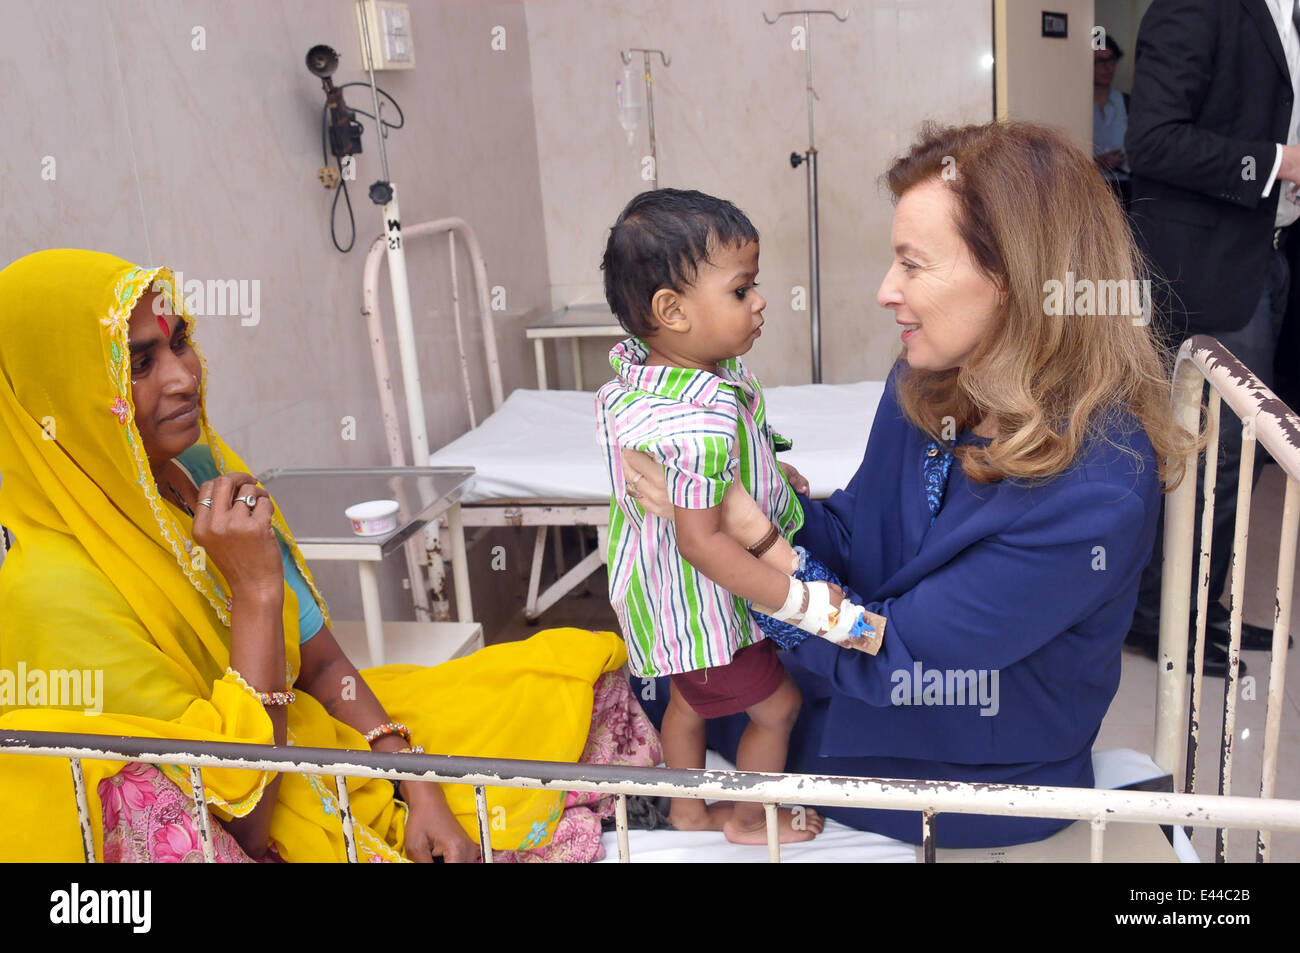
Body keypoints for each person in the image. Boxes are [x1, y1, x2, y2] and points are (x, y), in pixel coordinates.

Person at [622, 121, 1199, 847]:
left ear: (1015, 279)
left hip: (967, 763)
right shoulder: (929, 380)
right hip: (875, 677)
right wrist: (774, 498)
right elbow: (862, 539)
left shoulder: (1096, 488)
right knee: (666, 674)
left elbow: (892, 658)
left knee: (679, 694)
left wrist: (752, 541)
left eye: (913, 264)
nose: (885, 291)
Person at [0, 249, 648, 863]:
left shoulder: (195, 474)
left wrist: (415, 778)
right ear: (57, 399)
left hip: (324, 740)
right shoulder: (53, 594)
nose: (183, 376)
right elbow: (241, 824)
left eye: (179, 341)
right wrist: (255, 593)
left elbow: (324, 662)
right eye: (138, 365)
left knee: (570, 683)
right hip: (270, 815)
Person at [595, 190, 875, 844]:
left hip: (664, 599)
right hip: (702, 602)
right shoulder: (695, 424)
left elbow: (737, 457)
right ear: (672, 310)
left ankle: (687, 807)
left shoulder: (666, 373)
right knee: (778, 707)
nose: (761, 301)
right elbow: (705, 543)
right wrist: (804, 603)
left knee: (690, 698)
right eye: (742, 289)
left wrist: (773, 474)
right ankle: (751, 817)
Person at [1124, 0, 1300, 674]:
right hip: (1205, 269)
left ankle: (1202, 608)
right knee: (1212, 458)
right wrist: (1278, 162)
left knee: (1245, 456)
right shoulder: (1196, 4)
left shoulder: (1286, 17)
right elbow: (1155, 141)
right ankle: (1168, 620)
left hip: (1268, 253)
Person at [1093, 33, 1130, 210]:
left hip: (1125, 190)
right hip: (1090, 188)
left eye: (1112, 60)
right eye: (1100, 61)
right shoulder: (1075, 105)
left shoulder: (1127, 102)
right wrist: (1098, 161)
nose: (1107, 67)